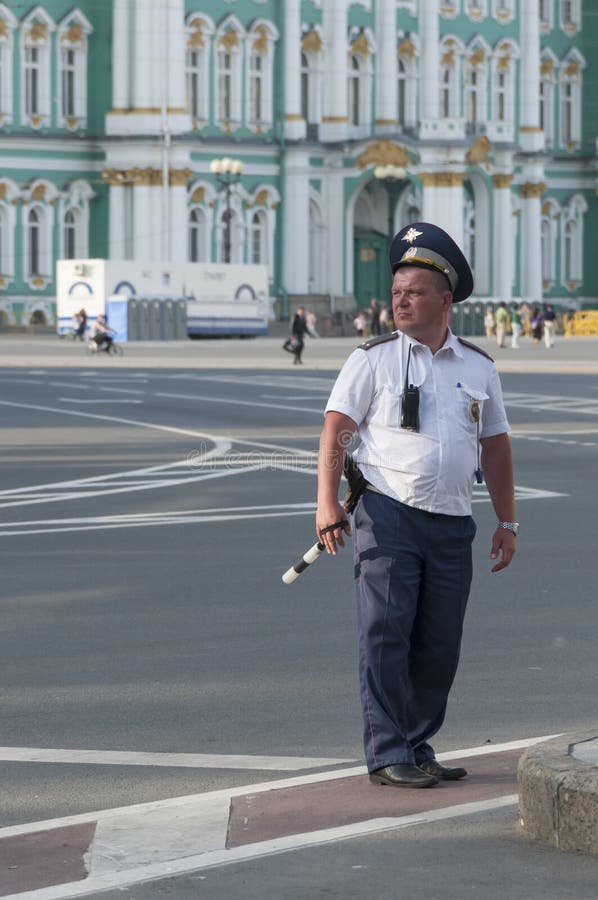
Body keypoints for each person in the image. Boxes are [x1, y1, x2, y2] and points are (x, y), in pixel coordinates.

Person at [316, 222, 517, 789]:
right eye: (397, 291)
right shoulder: (372, 359)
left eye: (415, 292)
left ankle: (417, 740)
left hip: (454, 522)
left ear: (445, 300)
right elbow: (336, 432)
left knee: (439, 643)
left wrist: (508, 520)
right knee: (386, 632)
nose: (400, 301)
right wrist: (326, 504)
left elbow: (496, 447)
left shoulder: (479, 367)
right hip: (388, 513)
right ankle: (386, 752)